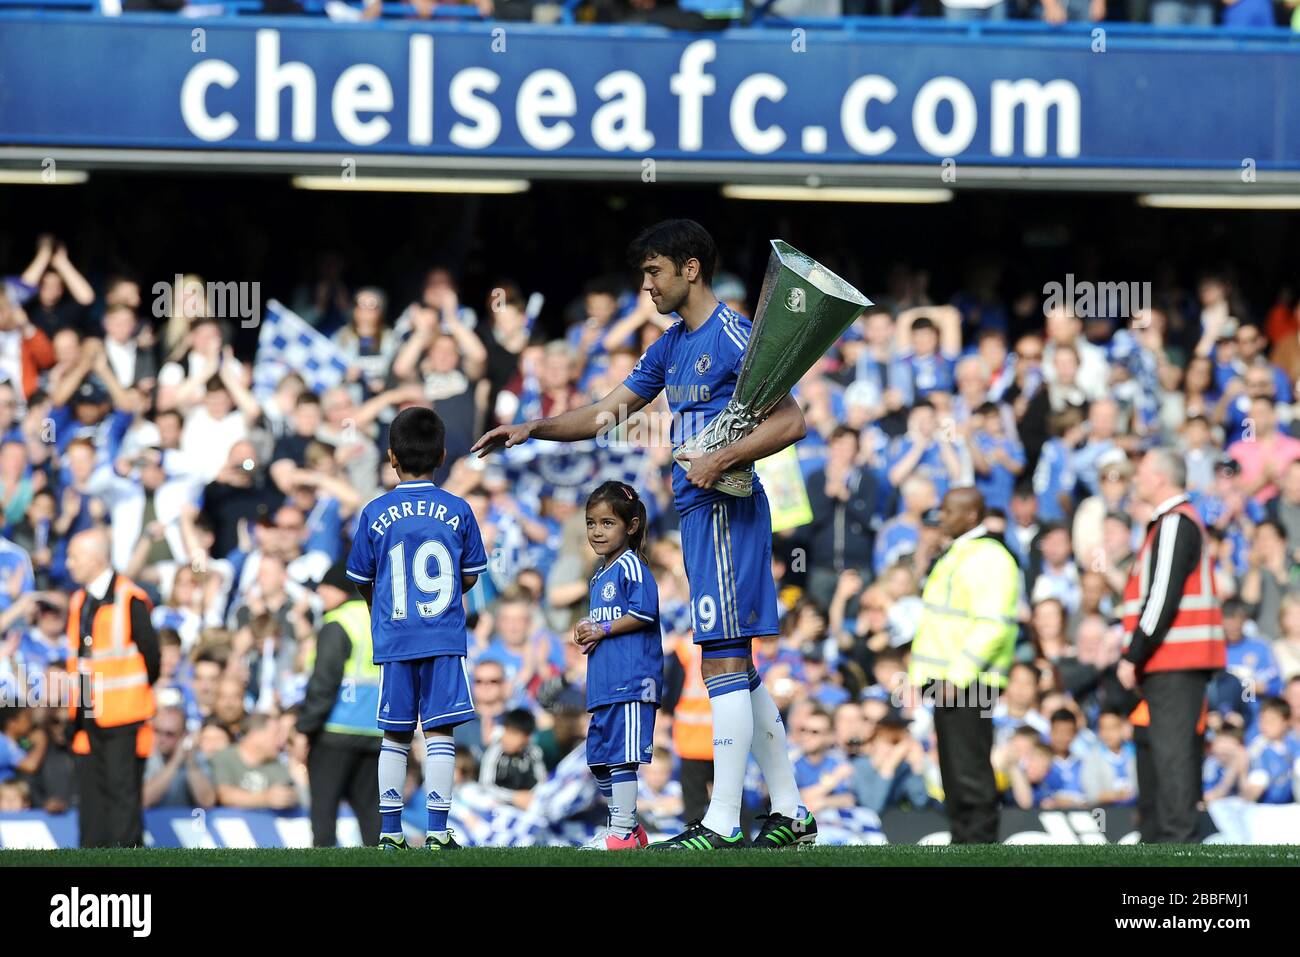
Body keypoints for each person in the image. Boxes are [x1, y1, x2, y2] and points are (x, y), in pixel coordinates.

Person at [473, 220, 811, 851]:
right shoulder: (671, 344)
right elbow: (608, 411)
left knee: (724, 661)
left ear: (690, 268)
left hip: (726, 505)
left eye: (654, 271)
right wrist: (534, 429)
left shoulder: (738, 334)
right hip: (697, 509)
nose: (646, 285)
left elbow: (793, 419)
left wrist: (719, 459)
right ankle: (792, 812)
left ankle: (723, 822)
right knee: (736, 666)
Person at [346, 407, 488, 850]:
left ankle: (389, 832)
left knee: (395, 734)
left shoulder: (374, 511)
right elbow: (469, 575)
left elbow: (362, 579)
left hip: (395, 638)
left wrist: (385, 609)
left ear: (391, 457)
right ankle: (438, 830)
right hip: (443, 637)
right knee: (440, 732)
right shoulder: (458, 508)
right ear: (443, 455)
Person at [1117, 449, 1226, 843]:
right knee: (1165, 752)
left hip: (1174, 661)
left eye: (1143, 471)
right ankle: (1164, 838)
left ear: (1161, 478)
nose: (1137, 479)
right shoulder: (1170, 522)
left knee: (1173, 754)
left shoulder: (1174, 523)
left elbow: (1161, 597)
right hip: (1172, 661)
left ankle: (1177, 844)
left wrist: (1133, 654)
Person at [908, 487, 1021, 844]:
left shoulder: (990, 557)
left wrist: (957, 677)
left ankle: (980, 847)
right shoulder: (960, 552)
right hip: (949, 682)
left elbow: (994, 625)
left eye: (948, 510)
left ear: (971, 516)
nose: (941, 516)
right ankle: (963, 844)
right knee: (955, 774)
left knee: (970, 774)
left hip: (969, 683)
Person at [572, 481, 662, 850]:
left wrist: (603, 627)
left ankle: (622, 831)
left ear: (632, 525)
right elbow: (607, 622)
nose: (597, 531)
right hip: (604, 683)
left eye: (607, 523)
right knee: (599, 759)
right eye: (591, 522)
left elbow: (644, 612)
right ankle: (627, 827)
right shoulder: (599, 573)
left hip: (631, 679)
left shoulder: (632, 566)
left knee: (623, 757)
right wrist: (588, 630)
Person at [65, 527, 159, 848]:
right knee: (91, 798)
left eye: (74, 556)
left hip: (124, 717)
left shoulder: (130, 598)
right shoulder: (79, 600)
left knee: (123, 797)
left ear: (94, 558)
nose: (68, 564)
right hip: (87, 716)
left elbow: (152, 656)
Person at [295, 560, 383, 847]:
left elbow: (324, 683)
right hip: (376, 732)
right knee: (373, 815)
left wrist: (305, 728)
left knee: (324, 813)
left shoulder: (338, 622)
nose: (320, 592)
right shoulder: (382, 618)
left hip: (335, 730)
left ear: (342, 588)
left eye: (326, 587)